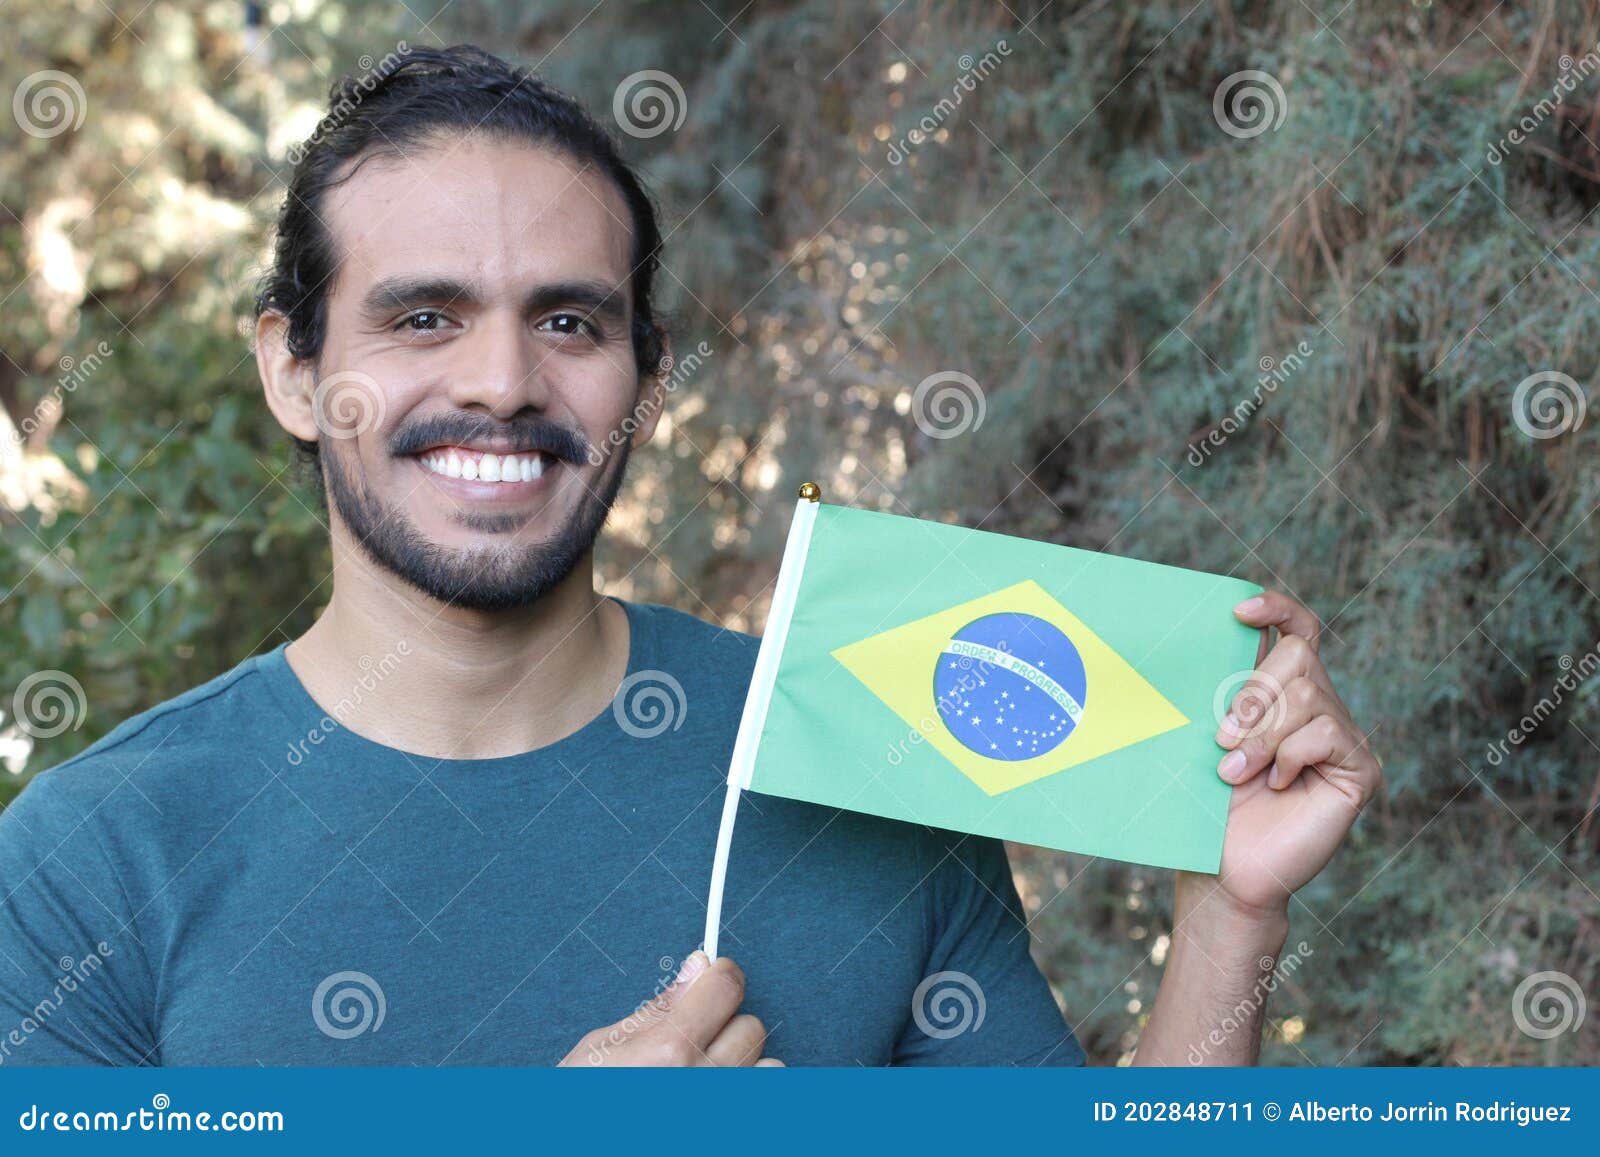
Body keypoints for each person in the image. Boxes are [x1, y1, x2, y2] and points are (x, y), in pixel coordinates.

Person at [0, 45, 1380, 1067]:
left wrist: (1228, 917)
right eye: (423, 318)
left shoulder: (863, 757)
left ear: (647, 384)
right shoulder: (92, 862)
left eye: (570, 323)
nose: (499, 382)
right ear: (296, 371)